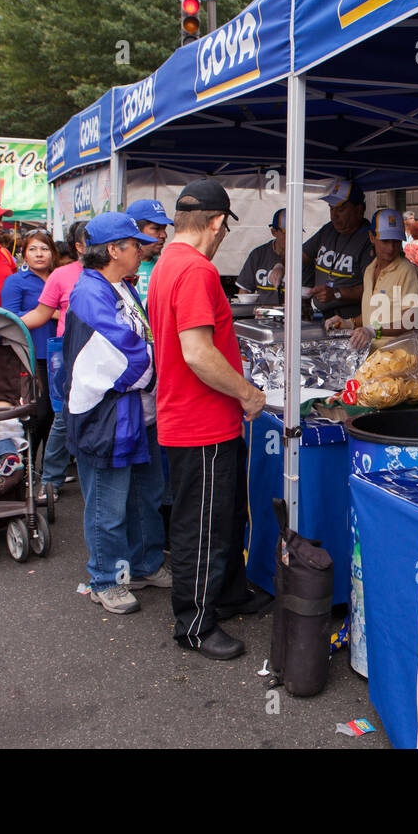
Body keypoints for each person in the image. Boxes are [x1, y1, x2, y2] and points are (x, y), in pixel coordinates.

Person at [147, 178, 268, 661]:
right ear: (217, 223)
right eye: (223, 230)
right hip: (201, 424)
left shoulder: (166, 264)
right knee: (202, 527)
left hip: (199, 419)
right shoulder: (194, 269)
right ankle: (194, 624)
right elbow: (197, 353)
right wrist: (247, 393)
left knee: (227, 515)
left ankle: (230, 593)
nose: (222, 238)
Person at [59, 212, 171, 615]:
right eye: (134, 244)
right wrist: (163, 362)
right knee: (107, 504)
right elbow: (128, 355)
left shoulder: (118, 285)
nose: (142, 250)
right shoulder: (90, 293)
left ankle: (144, 564)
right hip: (106, 418)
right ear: (112, 250)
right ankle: (106, 578)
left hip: (135, 416)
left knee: (145, 496)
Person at [20, 219, 89, 502]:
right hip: (67, 353)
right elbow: (40, 313)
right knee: (62, 417)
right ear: (79, 247)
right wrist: (2, 326)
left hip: (105, 354)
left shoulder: (116, 274)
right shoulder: (61, 276)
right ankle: (50, 481)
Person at [325, 208, 418, 350]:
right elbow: (372, 314)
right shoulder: (369, 270)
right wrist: (350, 323)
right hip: (375, 357)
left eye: (396, 242)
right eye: (385, 241)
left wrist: (374, 330)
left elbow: (410, 320)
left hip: (402, 359)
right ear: (371, 237)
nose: (391, 248)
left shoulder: (407, 272)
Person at [0, 230, 57, 463]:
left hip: (59, 353)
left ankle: (46, 468)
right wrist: (47, 314)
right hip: (31, 354)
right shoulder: (15, 281)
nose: (39, 254)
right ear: (23, 254)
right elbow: (10, 318)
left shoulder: (59, 277)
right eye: (33, 249)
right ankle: (27, 466)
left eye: (44, 249)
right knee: (38, 413)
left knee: (55, 414)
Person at [301, 180, 374, 324]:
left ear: (359, 210)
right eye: (331, 209)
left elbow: (373, 287)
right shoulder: (328, 229)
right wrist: (282, 267)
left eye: (340, 210)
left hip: (350, 320)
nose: (334, 215)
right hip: (321, 316)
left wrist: (337, 293)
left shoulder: (369, 239)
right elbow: (301, 256)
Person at [235, 209, 286, 305]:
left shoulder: (303, 256)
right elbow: (244, 290)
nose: (291, 237)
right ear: (274, 232)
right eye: (285, 233)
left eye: (296, 232)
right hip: (263, 316)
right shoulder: (258, 254)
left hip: (293, 316)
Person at [126, 198, 174, 300]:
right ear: (136, 230)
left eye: (164, 229)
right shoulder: (119, 271)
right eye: (156, 229)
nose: (164, 235)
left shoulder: (166, 268)